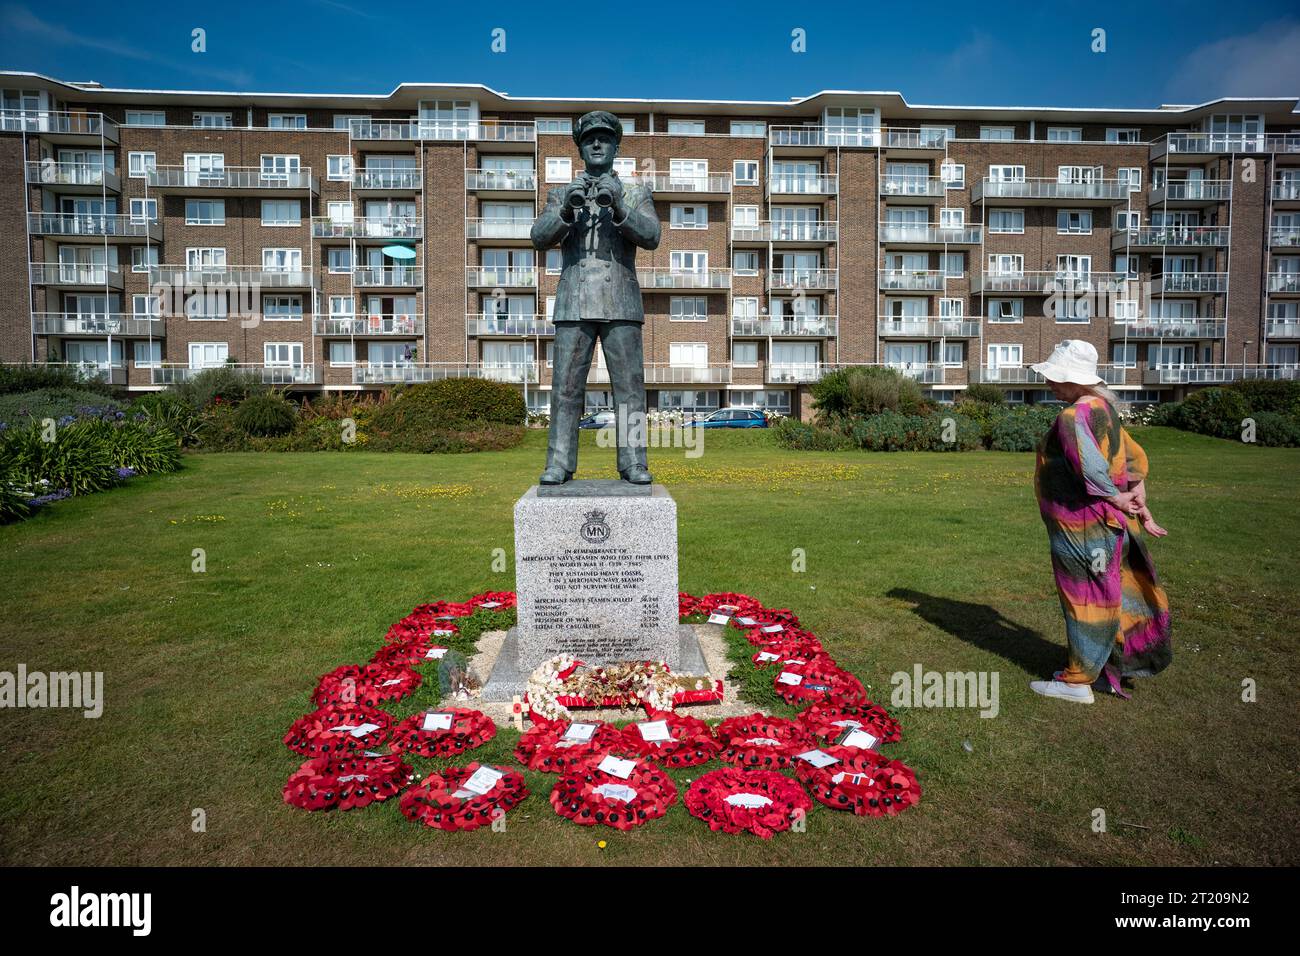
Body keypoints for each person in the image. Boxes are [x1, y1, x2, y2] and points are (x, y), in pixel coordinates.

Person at [1029, 340, 1172, 703]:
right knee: (1109, 593)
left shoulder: (1072, 416)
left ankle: (1077, 682)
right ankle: (1108, 669)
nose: (1049, 383)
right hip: (1110, 525)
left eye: (1056, 377)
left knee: (1085, 599)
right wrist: (1138, 494)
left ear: (1077, 380)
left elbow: (1088, 467)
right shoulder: (1103, 408)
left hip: (1083, 528)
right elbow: (1135, 456)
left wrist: (1115, 496)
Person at [531, 111, 660, 485]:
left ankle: (634, 462)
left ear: (617, 146)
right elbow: (539, 237)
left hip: (621, 303)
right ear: (581, 147)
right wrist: (567, 210)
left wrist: (619, 206)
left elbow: (652, 236)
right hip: (573, 303)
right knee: (565, 389)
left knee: (630, 390)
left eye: (605, 138)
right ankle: (558, 463)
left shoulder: (635, 192)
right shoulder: (559, 194)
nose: (598, 144)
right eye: (590, 140)